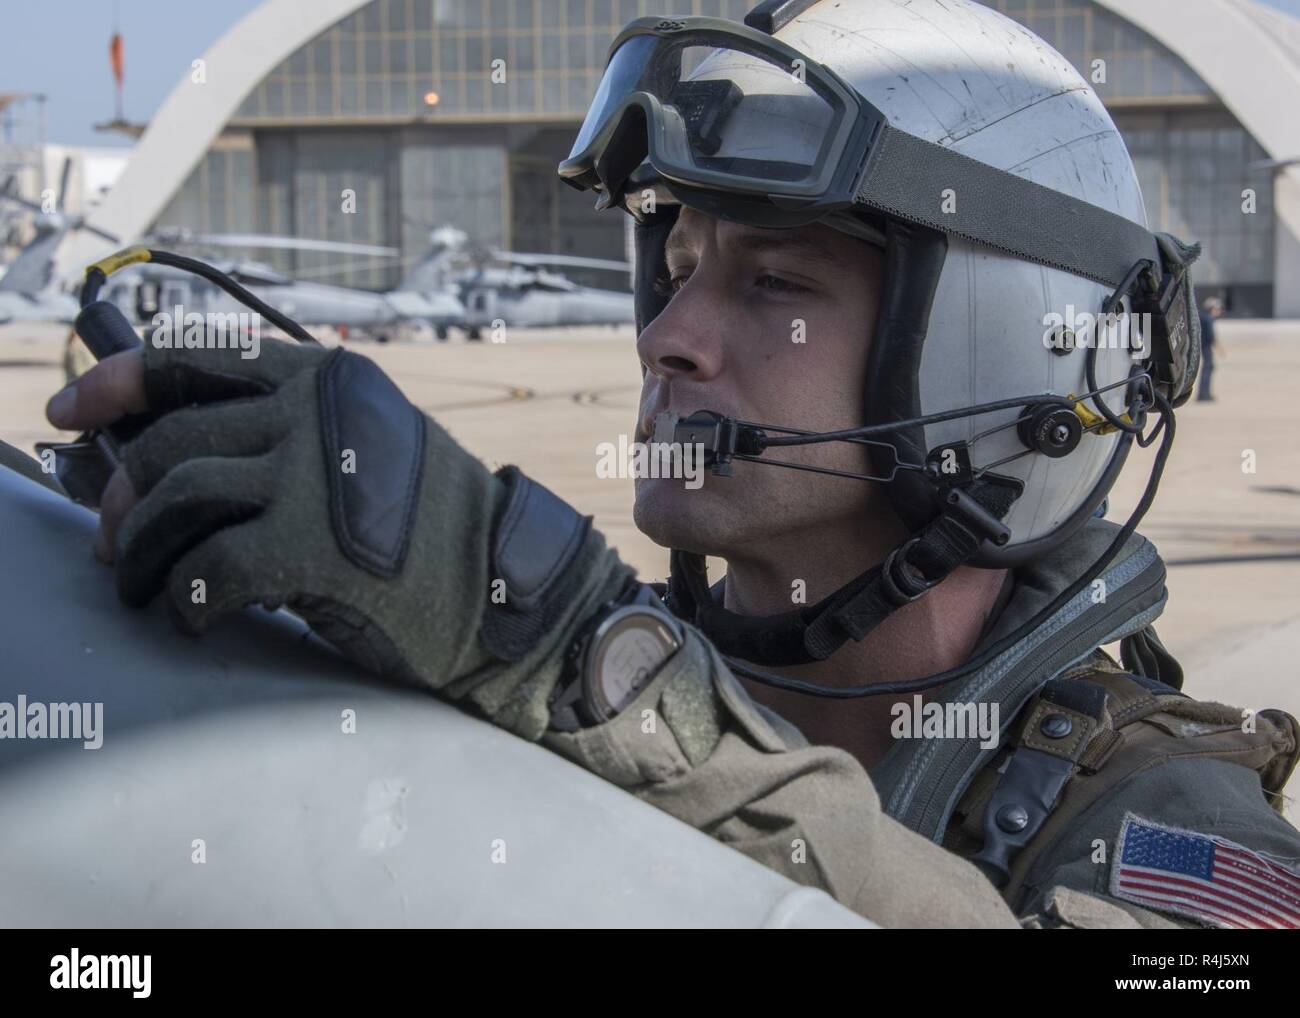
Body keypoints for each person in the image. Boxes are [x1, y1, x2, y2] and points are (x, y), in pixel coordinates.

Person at [43, 0, 1300, 929]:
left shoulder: (1174, 838)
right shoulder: (564, 681)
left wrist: (574, 657)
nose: (667, 338)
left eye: (775, 284)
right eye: (679, 268)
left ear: (1008, 362)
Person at [1197, 296, 1225, 401]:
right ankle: (1204, 394)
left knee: (1208, 368)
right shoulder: (1208, 319)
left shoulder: (1204, 317)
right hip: (1206, 348)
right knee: (1208, 368)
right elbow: (1211, 336)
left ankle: (1204, 393)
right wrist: (1220, 348)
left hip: (1204, 347)